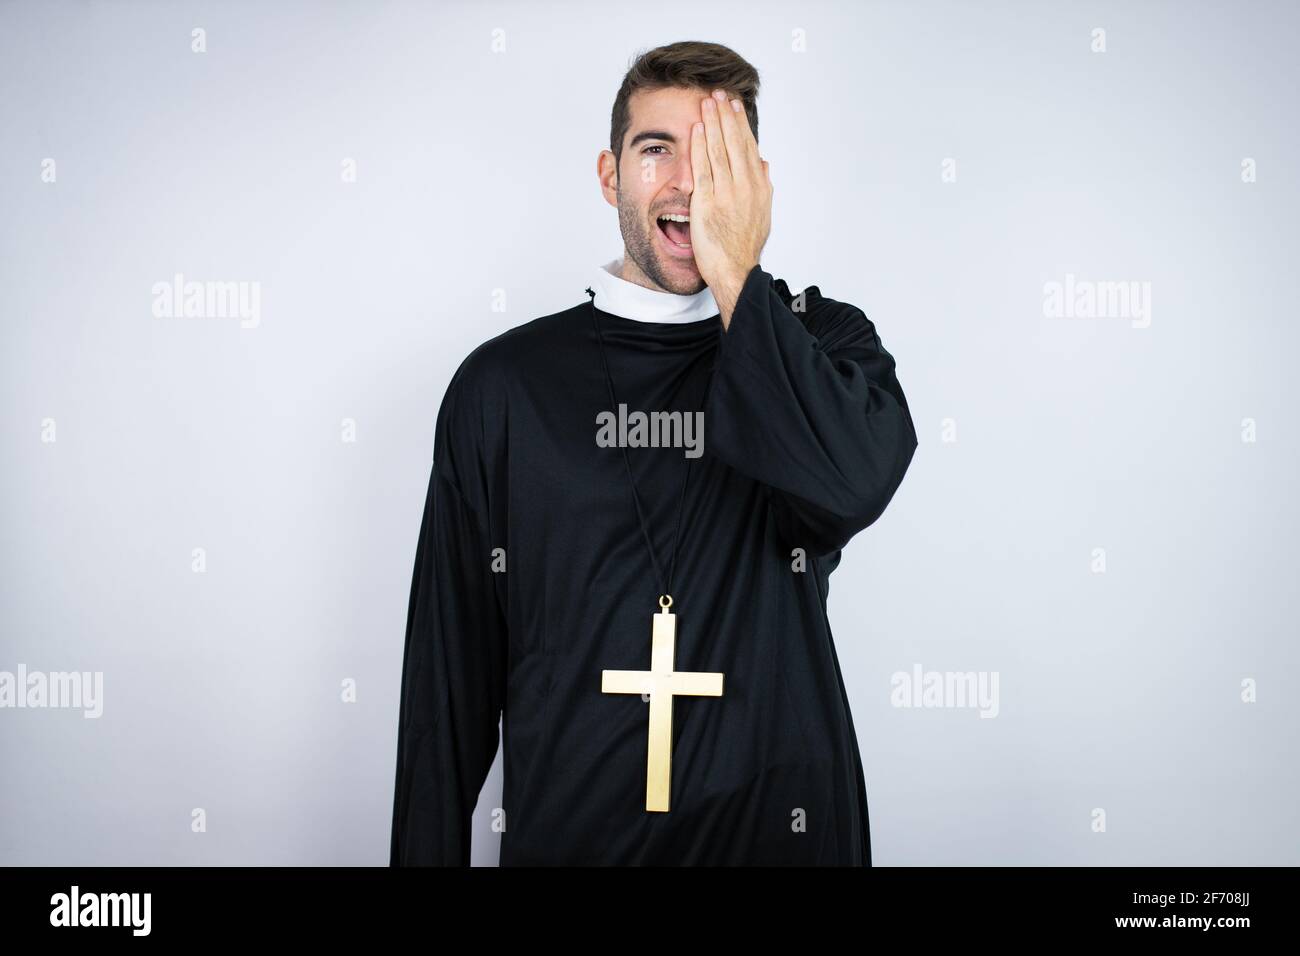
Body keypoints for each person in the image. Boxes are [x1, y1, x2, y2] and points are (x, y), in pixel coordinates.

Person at [390, 40, 917, 866]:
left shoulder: (824, 345)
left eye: (715, 153)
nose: (686, 182)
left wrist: (738, 273)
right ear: (610, 176)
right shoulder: (504, 389)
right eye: (656, 149)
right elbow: (445, 691)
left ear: (753, 181)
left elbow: (851, 484)